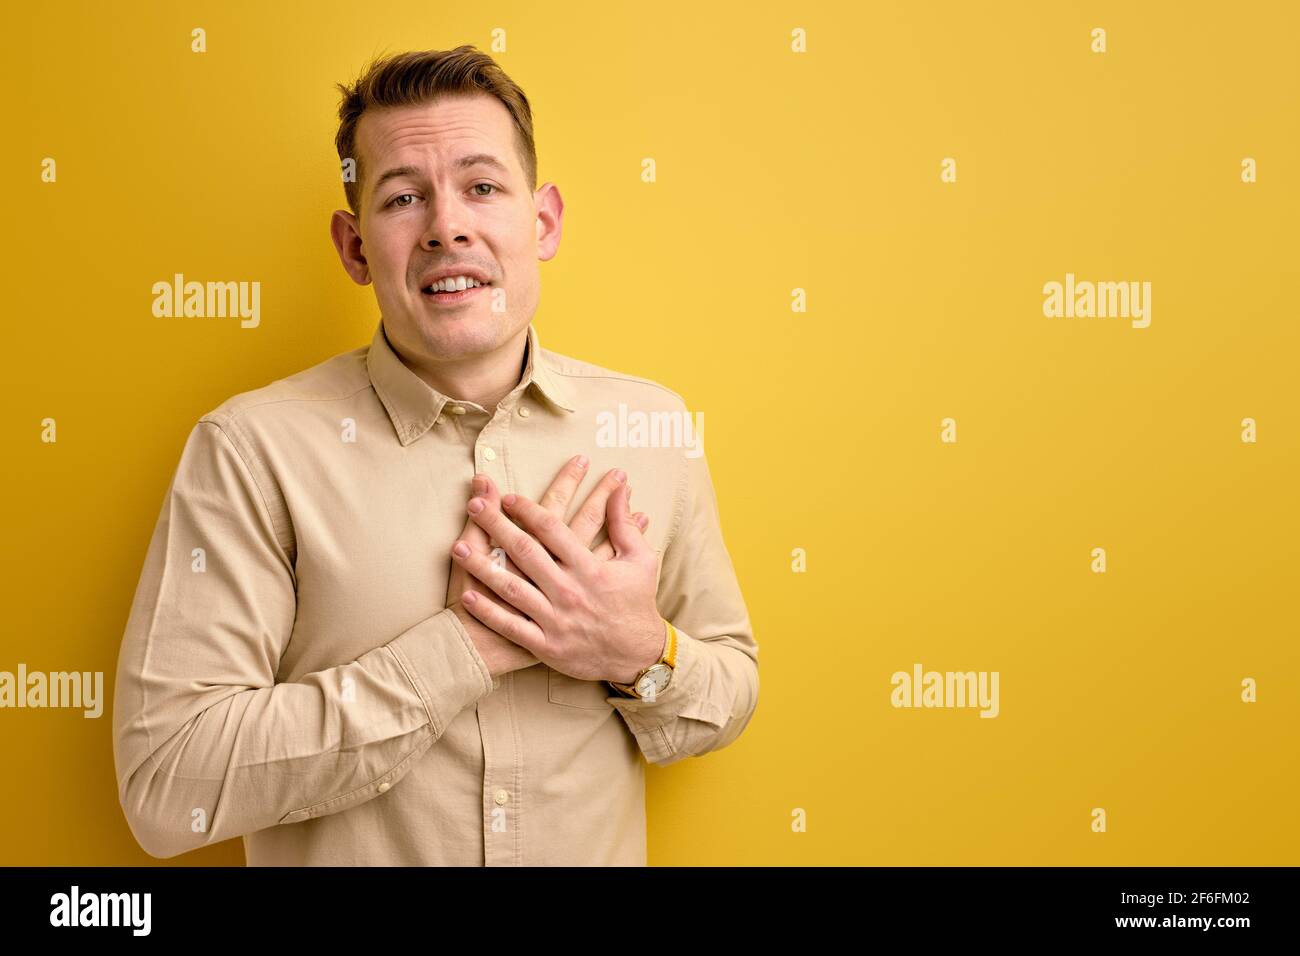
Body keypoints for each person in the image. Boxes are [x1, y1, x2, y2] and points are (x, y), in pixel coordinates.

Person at [112, 46, 758, 866]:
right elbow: (170, 788)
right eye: (403, 198)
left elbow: (732, 685)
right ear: (353, 249)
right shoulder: (250, 450)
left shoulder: (653, 425)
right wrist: (460, 652)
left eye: (483, 187)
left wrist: (638, 654)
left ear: (543, 221)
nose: (446, 226)